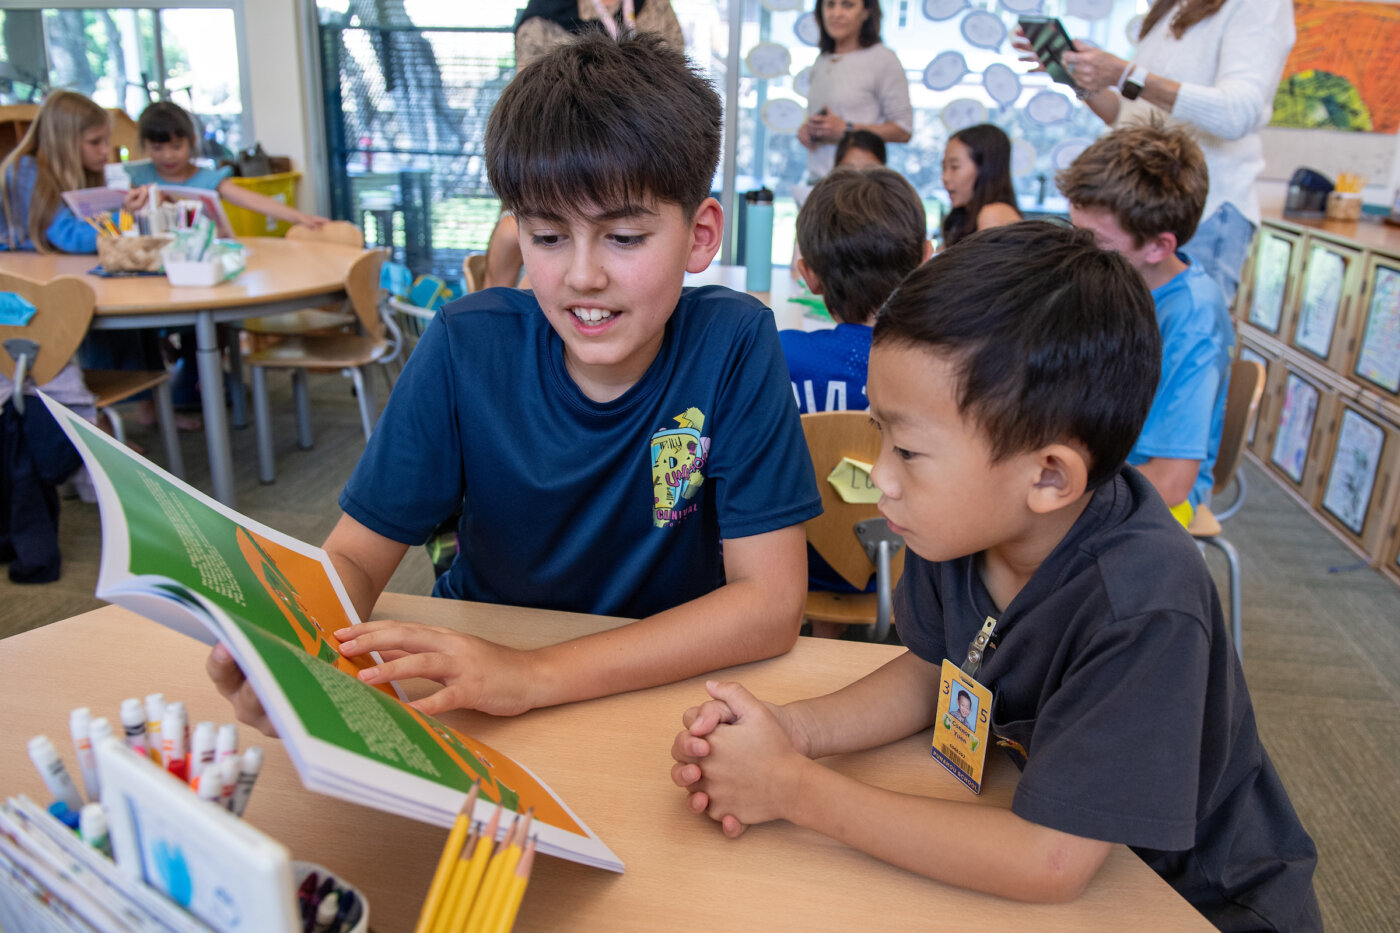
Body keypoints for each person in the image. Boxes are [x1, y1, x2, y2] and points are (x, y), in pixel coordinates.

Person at [670, 221, 1321, 930]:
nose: (880, 476)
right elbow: (933, 672)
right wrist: (791, 731)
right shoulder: (962, 525)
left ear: (1048, 474)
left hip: (1195, 902)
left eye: (909, 450)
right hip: (1042, 825)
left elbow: (1049, 861)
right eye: (880, 433)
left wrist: (794, 789)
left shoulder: (1143, 604)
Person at [209, 32, 822, 731]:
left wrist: (533, 673)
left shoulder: (734, 343)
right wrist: (297, 632)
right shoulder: (465, 345)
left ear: (700, 234)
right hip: (475, 681)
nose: (583, 276)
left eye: (624, 238)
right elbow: (352, 553)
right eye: (549, 236)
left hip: (653, 687)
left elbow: (771, 604)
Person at [1045, 0, 1296, 302]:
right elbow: (1125, 115)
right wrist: (1079, 81)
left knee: (1182, 331)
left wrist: (1126, 75)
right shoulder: (1171, 8)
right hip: (1137, 207)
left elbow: (1237, 113)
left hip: (1201, 209)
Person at [1058, 121, 1233, 525]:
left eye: (1094, 241)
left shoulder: (1192, 320)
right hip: (1097, 465)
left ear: (1158, 246)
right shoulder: (1119, 277)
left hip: (1156, 503)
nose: (1076, 255)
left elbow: (1172, 481)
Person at [485, 0, 685, 290]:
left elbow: (676, 90)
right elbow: (531, 117)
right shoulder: (544, 16)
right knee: (509, 240)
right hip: (555, 165)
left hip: (640, 162)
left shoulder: (653, 6)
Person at [123, 102, 326, 230]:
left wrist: (300, 217)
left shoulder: (209, 179)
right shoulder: (136, 178)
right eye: (158, 148)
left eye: (176, 147)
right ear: (145, 145)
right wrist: (128, 209)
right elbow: (121, 221)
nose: (167, 156)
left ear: (192, 141)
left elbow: (253, 200)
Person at [0, 90, 142, 253]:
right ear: (63, 143)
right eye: (95, 142)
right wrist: (127, 215)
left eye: (107, 140)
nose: (106, 151)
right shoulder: (25, 171)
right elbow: (69, 237)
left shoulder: (84, 171)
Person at [798, 0, 912, 184]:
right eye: (830, 5)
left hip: (858, 187)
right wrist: (808, 130)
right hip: (818, 182)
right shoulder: (822, 60)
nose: (836, 13)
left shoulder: (883, 59)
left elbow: (903, 130)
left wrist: (846, 129)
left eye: (847, 5)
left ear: (866, 12)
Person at [939, 123, 1022, 249]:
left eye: (955, 167)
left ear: (985, 169)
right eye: (944, 167)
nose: (945, 177)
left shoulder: (993, 215)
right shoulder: (962, 217)